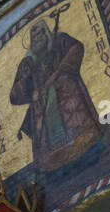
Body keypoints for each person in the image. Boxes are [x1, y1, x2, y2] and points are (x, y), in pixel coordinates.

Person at [10, 19, 102, 173]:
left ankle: (88, 153)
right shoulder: (27, 62)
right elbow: (14, 95)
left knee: (81, 139)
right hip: (44, 106)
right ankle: (57, 168)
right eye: (34, 34)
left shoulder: (60, 40)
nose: (38, 36)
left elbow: (76, 48)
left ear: (47, 31)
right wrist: (29, 89)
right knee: (52, 148)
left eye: (41, 32)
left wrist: (59, 71)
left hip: (66, 94)